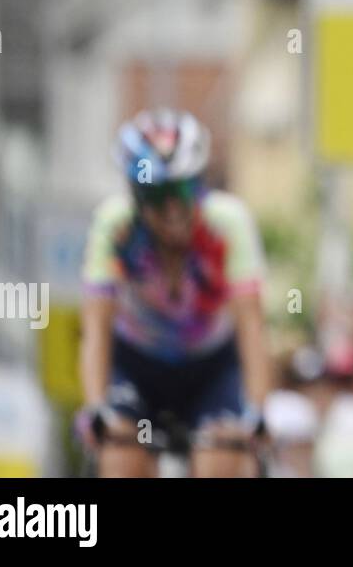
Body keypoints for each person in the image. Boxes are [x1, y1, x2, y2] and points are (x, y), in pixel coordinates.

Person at [77, 108, 270, 477]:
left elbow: (253, 327)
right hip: (137, 366)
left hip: (210, 369)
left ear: (199, 184)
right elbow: (96, 328)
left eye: (182, 190)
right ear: (135, 196)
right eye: (156, 195)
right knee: (119, 456)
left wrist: (258, 408)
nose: (172, 209)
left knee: (222, 459)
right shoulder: (115, 226)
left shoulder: (227, 222)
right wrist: (95, 404)